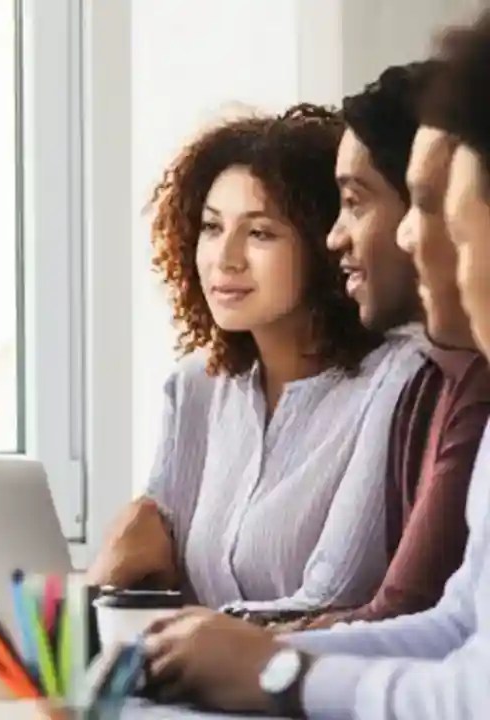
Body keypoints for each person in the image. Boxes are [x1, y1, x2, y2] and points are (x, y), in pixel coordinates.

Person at [139, 12, 490, 718]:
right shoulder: (197, 387)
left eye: (436, 209)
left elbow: (465, 688)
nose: (416, 237)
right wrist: (251, 659)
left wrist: (275, 672)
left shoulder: (414, 377)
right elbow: (456, 627)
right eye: (211, 227)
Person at [86, 104, 425, 614]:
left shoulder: (396, 378)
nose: (225, 258)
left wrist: (200, 638)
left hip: (308, 686)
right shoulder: (196, 385)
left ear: (322, 244)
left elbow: (334, 598)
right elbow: (153, 568)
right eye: (211, 227)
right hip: (188, 688)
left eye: (261, 232)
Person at [301, 62, 490, 628]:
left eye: (427, 201)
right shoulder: (433, 378)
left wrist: (270, 661)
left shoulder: (468, 389)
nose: (333, 237)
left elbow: (412, 619)